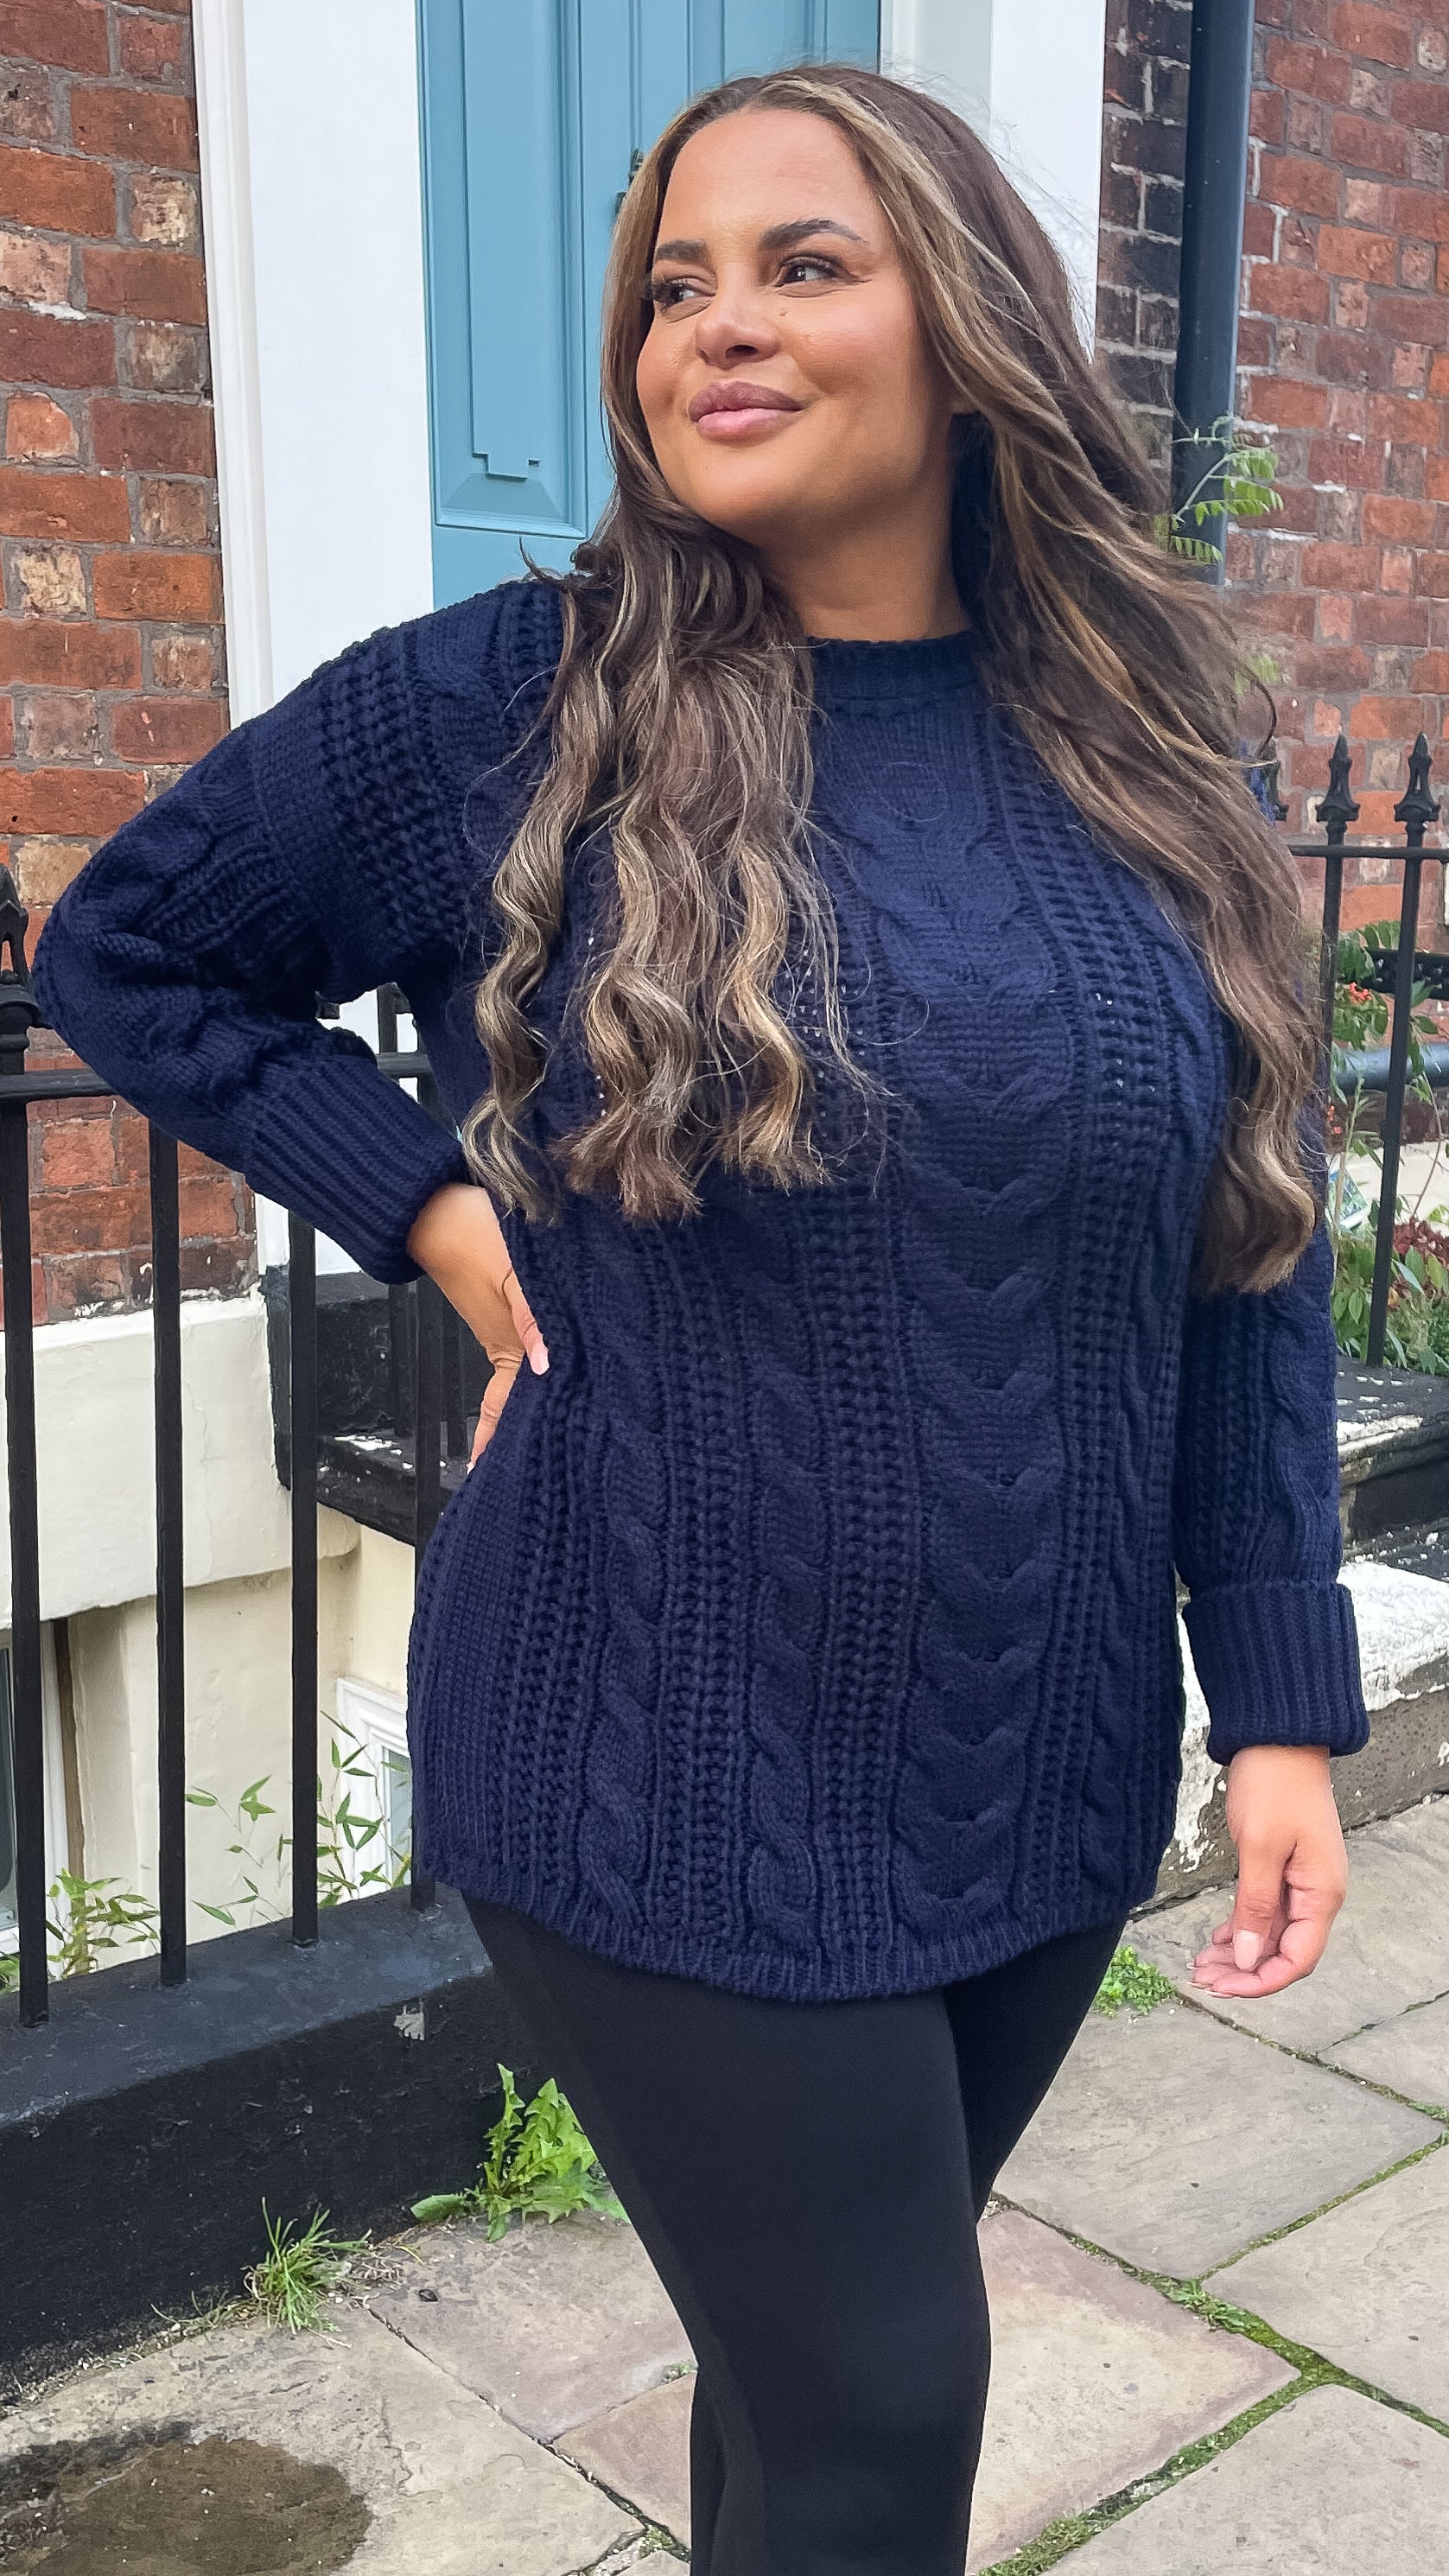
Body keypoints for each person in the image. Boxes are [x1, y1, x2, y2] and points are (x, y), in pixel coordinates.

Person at [34, 64, 1368, 2576]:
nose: (712, 329)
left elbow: (1245, 1248)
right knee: (884, 2417)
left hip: (1043, 1762)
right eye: (672, 286)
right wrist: (424, 1203)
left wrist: (1278, 1691)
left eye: (802, 266)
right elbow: (131, 948)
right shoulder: (513, 706)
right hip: (662, 1751)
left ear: (968, 331)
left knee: (800, 2409)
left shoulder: (1144, 748)